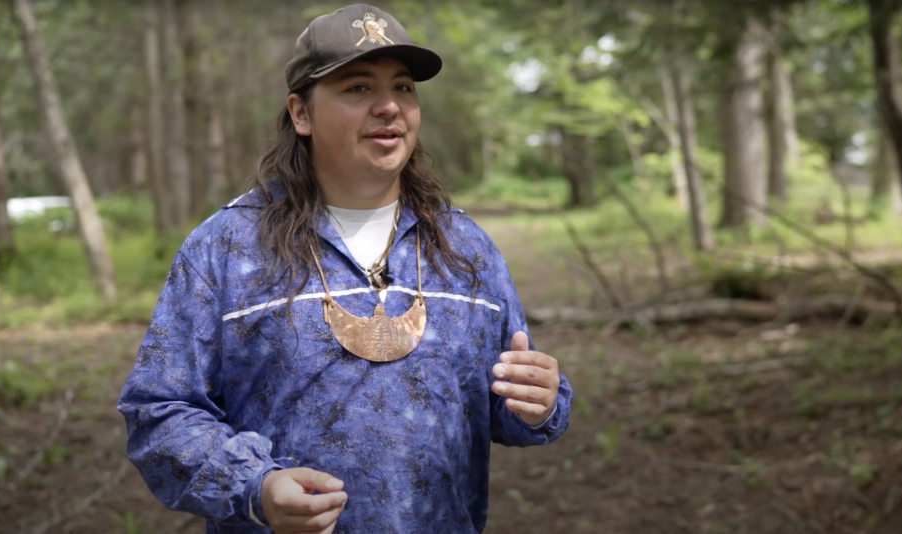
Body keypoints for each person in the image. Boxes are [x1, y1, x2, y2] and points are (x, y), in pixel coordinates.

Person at [117, 3, 573, 533]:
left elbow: (506, 408)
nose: (389, 107)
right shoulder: (226, 248)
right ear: (301, 114)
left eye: (403, 88)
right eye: (358, 88)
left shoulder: (463, 248)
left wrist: (539, 403)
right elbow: (159, 410)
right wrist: (255, 485)